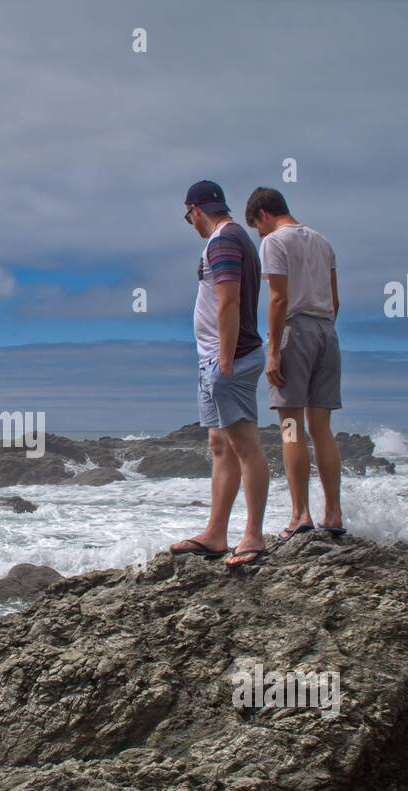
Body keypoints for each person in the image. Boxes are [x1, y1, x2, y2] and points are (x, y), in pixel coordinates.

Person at [170, 180, 269, 566]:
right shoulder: (234, 239)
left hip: (229, 359)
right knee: (220, 445)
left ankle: (253, 537)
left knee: (245, 446)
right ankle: (215, 534)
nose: (189, 222)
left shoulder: (224, 241)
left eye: (187, 215)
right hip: (214, 360)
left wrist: (225, 359)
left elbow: (229, 300)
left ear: (195, 209)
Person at [244, 187, 345, 540]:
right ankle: (333, 514)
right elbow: (334, 299)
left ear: (263, 215)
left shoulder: (274, 242)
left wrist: (273, 349)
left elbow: (278, 297)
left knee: (290, 425)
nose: (259, 235)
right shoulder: (323, 242)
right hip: (327, 334)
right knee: (322, 429)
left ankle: (300, 514)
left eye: (257, 227)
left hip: (294, 332)